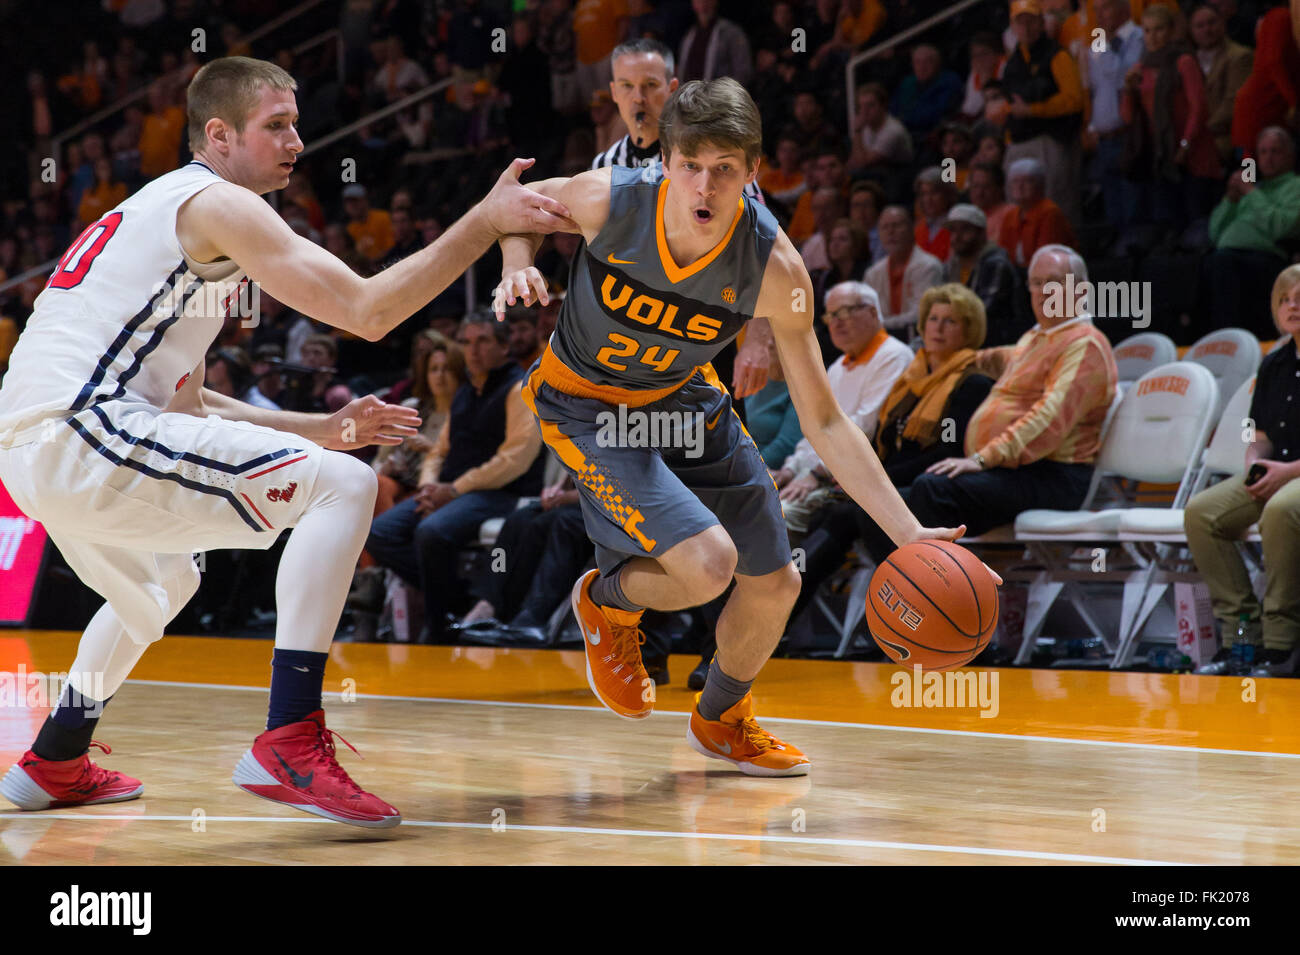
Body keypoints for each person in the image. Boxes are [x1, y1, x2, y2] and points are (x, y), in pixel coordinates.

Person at [0, 56, 574, 826]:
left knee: (164, 585)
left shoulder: (171, 221)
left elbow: (191, 403)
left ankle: (55, 757)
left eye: (297, 123)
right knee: (345, 485)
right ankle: (290, 739)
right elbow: (369, 311)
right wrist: (485, 220)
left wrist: (324, 428)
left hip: (40, 445)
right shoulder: (218, 205)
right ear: (218, 135)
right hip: (84, 429)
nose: (296, 140)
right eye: (276, 125)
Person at [493, 78, 973, 775]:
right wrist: (514, 263)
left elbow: (827, 418)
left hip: (683, 394)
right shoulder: (609, 197)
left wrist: (907, 532)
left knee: (775, 582)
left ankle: (721, 718)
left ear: (754, 173)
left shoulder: (776, 268)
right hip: (586, 403)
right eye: (691, 164)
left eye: (725, 170)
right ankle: (604, 600)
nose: (704, 186)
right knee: (708, 565)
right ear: (666, 161)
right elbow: (516, 210)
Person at [857, 244, 1118, 563]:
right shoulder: (1035, 339)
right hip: (1017, 471)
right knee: (881, 506)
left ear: (1080, 290)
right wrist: (946, 359)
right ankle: (904, 589)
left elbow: (1048, 420)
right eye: (1035, 283)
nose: (1042, 292)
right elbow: (994, 359)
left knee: (931, 489)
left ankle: (930, 592)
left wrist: (982, 459)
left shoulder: (1084, 344)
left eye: (1053, 282)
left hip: (1055, 475)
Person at [791, 283, 995, 621]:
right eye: (932, 319)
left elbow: (944, 453)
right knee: (832, 511)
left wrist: (873, 482)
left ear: (969, 329)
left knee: (853, 512)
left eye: (950, 321)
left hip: (931, 484)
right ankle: (779, 616)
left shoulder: (972, 383)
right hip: (899, 480)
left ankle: (920, 610)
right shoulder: (911, 382)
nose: (938, 329)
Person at [365, 313, 546, 645]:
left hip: (501, 492)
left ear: (504, 346)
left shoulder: (520, 388)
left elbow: (514, 460)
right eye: (465, 342)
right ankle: (462, 603)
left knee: (431, 532)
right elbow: (438, 451)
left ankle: (438, 628)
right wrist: (427, 489)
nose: (472, 350)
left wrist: (454, 489)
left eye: (483, 341)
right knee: (378, 533)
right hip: (453, 492)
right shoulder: (465, 392)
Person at [1189, 265, 1300, 677]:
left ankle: (1280, 645)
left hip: (1294, 476)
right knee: (1202, 513)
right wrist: (1254, 461)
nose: (1293, 306)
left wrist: (1287, 472)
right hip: (1277, 469)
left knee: (1280, 509)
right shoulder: (1274, 364)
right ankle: (1241, 638)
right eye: (1285, 299)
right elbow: (1259, 432)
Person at [1206, 127, 1300, 337]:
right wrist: (1230, 200)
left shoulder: (1295, 186)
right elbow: (1214, 233)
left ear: (1290, 156)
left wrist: (1250, 193)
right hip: (1226, 258)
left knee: (1223, 265)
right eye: (1263, 152)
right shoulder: (1253, 188)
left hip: (1268, 260)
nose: (1268, 158)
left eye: (1275, 151)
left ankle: (1230, 339)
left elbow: (1281, 227)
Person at [1001, 0, 1086, 225]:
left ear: (1041, 23)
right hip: (1020, 145)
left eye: (1031, 21)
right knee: (1019, 212)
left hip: (1052, 142)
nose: (1026, 28)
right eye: (1020, 23)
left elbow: (1074, 100)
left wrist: (1033, 110)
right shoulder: (1012, 63)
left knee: (1056, 207)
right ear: (1013, 27)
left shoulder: (1058, 55)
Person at [943, 203, 1033, 346]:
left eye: (965, 230)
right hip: (964, 337)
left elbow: (982, 311)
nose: (957, 237)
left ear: (982, 234)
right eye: (953, 231)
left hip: (998, 343)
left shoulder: (996, 264)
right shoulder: (951, 266)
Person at [864, 205, 945, 342]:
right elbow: (867, 315)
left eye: (896, 225)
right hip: (881, 341)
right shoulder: (872, 273)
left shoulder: (929, 266)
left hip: (922, 339)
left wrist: (880, 324)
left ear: (912, 229)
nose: (891, 232)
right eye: (885, 227)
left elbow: (921, 315)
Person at [1188, 1, 1253, 170]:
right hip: (1193, 149)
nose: (1207, 30)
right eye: (1199, 26)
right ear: (1191, 30)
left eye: (1212, 23)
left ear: (1223, 23)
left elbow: (1233, 103)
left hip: (1227, 144)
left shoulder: (1240, 56)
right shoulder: (1187, 60)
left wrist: (1196, 134)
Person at [998, 157, 1077, 267]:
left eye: (1027, 181)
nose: (1020, 186)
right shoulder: (1010, 215)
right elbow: (1003, 254)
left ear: (1041, 186)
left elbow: (1046, 259)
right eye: (1015, 181)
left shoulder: (1050, 213)